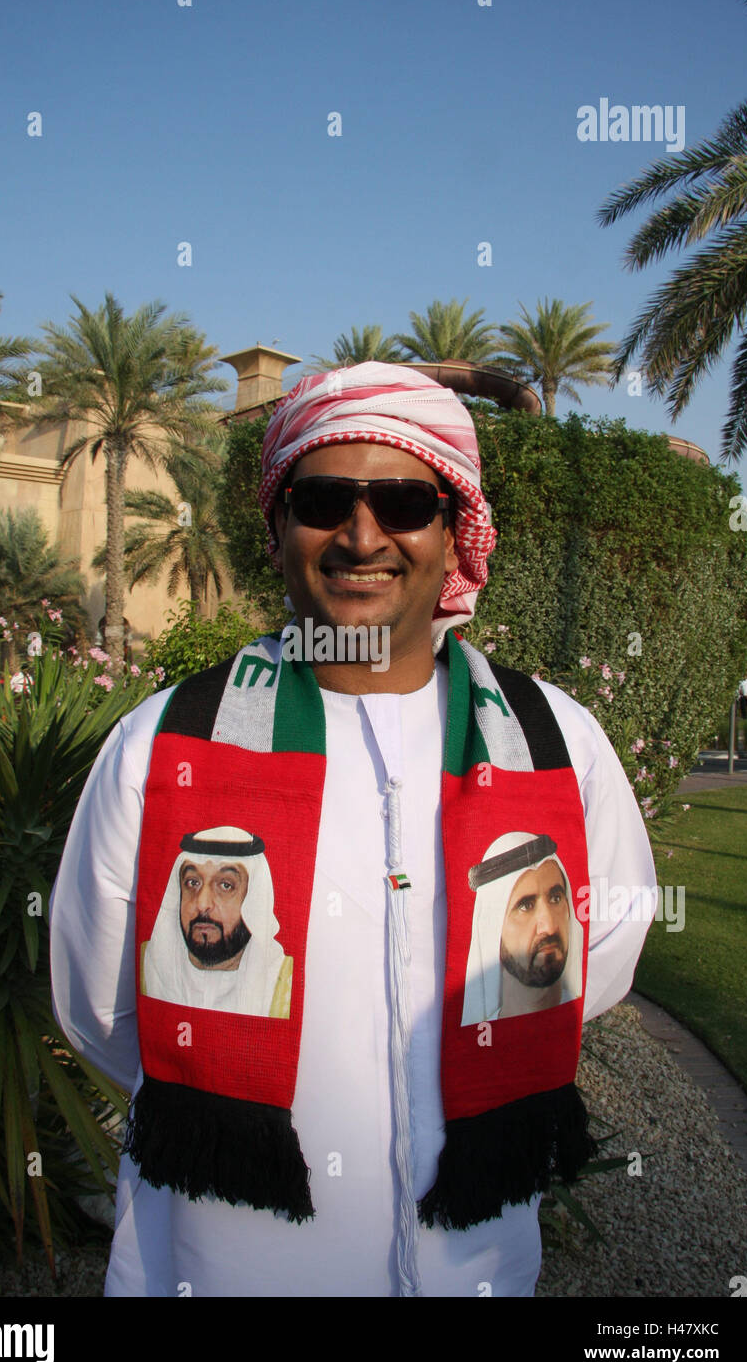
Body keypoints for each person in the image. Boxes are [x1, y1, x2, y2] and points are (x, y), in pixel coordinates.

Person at [50, 361, 656, 1298]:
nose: (363, 534)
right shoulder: (164, 743)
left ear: (455, 534)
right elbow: (100, 1004)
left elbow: (598, 958)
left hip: (475, 1260)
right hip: (227, 1258)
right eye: (325, 498)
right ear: (280, 525)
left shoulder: (552, 742)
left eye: (406, 502)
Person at [142, 826, 293, 1018]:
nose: (202, 904)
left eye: (226, 885)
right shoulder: (146, 965)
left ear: (253, 900)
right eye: (192, 883)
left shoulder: (283, 982)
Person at [462, 832, 582, 1024]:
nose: (550, 927)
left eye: (556, 898)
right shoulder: (480, 1044)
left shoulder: (583, 1008)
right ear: (493, 928)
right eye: (525, 906)